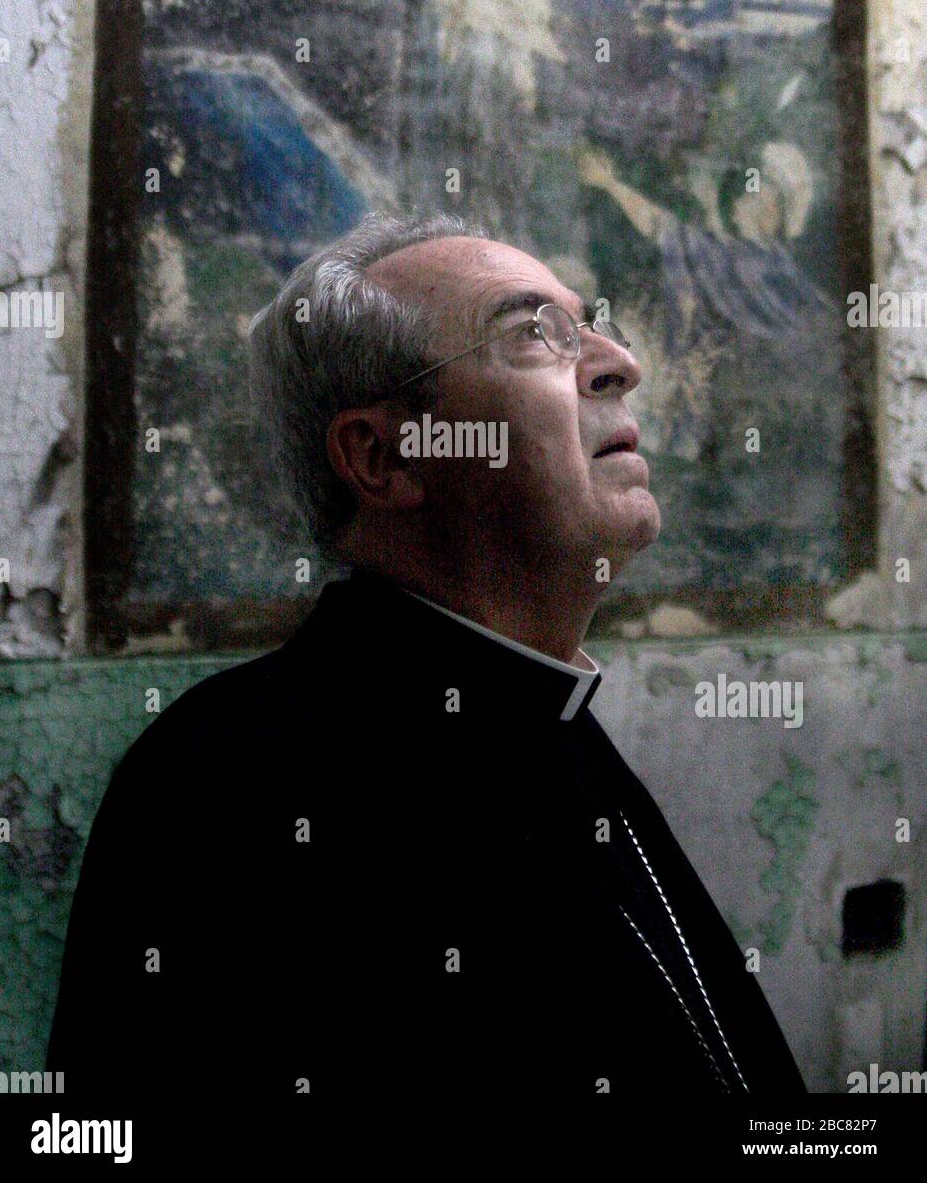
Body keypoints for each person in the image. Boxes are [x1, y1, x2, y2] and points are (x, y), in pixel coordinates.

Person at [47, 211, 805, 1106]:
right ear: (384, 457)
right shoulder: (218, 784)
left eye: (586, 322)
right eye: (532, 333)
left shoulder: (553, 717)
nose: (619, 361)